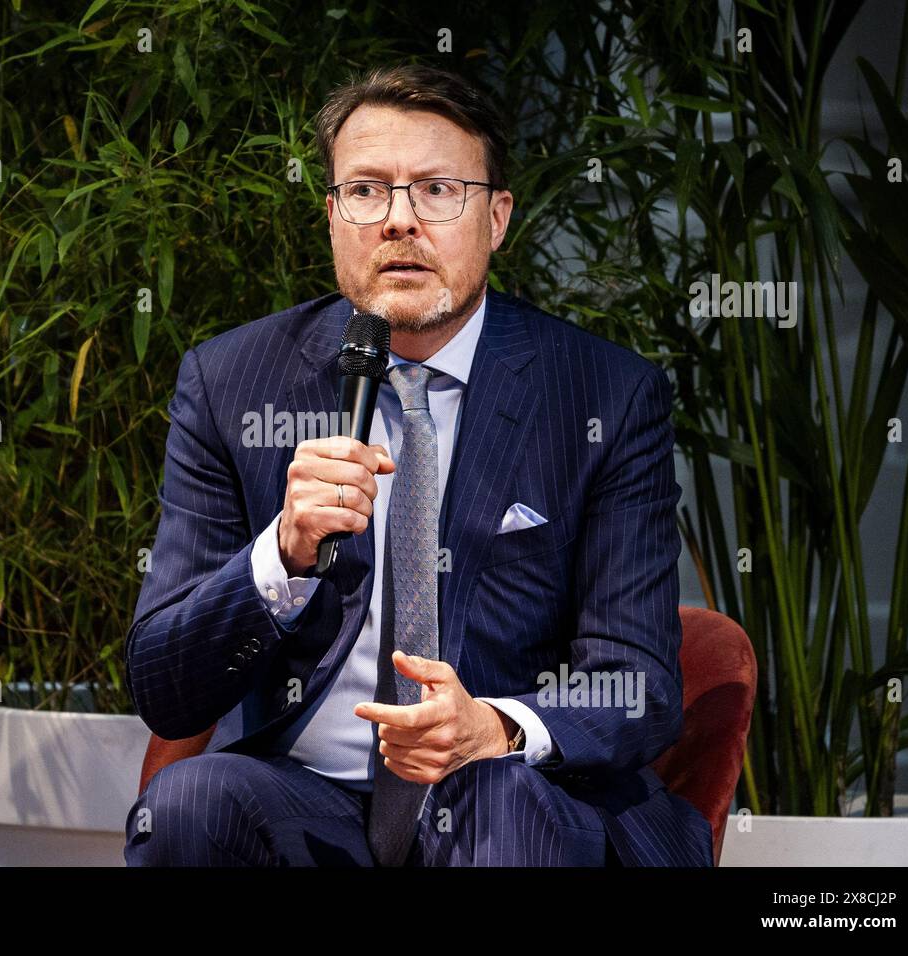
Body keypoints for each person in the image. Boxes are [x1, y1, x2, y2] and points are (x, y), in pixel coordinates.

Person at [123, 63, 714, 867]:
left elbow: (636, 683)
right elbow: (164, 687)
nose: (399, 220)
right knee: (189, 804)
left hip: (516, 799)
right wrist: (282, 554)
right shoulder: (231, 383)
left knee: (496, 797)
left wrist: (497, 727)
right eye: (366, 191)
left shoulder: (604, 396)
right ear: (332, 216)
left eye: (438, 190)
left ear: (497, 218)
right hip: (311, 805)